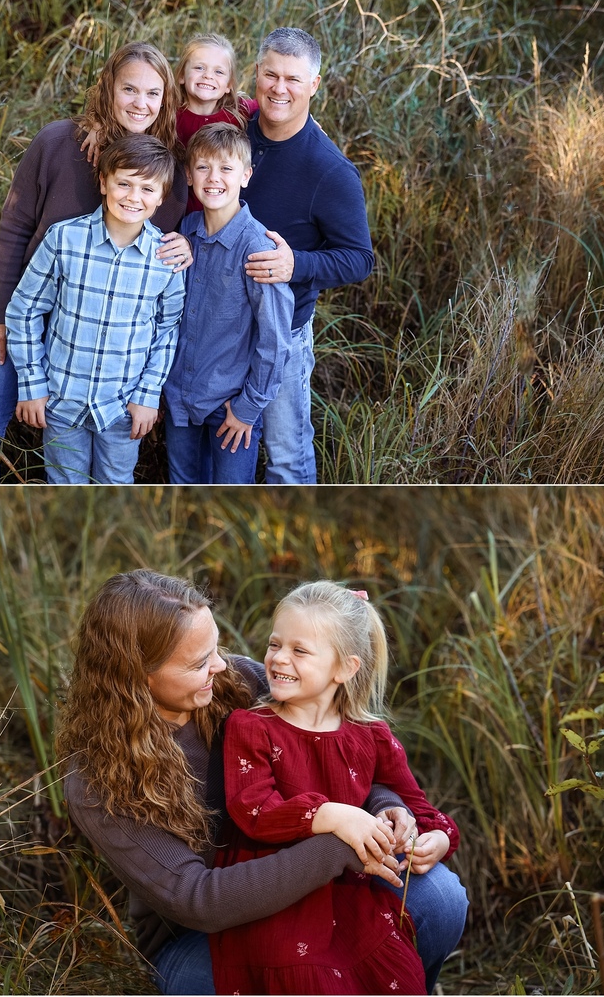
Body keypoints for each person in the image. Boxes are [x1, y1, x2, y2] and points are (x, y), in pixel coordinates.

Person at [58, 570, 468, 996]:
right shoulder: (97, 781)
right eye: (199, 662)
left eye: (215, 648)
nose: (220, 664)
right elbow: (197, 899)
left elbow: (338, 747)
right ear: (138, 675)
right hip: (201, 932)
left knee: (439, 900)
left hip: (324, 884)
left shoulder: (237, 683)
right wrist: (338, 845)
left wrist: (382, 807)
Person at [0, 41, 192, 483]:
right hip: (26, 311)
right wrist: (1, 314)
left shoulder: (166, 173)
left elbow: (171, 249)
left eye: (152, 93)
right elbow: (14, 229)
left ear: (166, 100)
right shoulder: (59, 141)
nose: (140, 103)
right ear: (109, 88)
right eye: (129, 89)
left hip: (102, 332)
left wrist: (189, 245)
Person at [210, 582, 460, 995]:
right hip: (276, 897)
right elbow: (254, 809)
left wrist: (435, 837)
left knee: (391, 973)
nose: (278, 659)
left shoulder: (370, 735)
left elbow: (415, 803)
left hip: (350, 893)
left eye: (300, 650)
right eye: (275, 644)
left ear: (344, 668)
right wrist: (333, 815)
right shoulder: (252, 727)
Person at [5, 135, 184, 484]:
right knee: (64, 483)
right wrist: (32, 383)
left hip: (122, 406)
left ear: (161, 197)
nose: (134, 197)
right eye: (124, 184)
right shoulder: (63, 239)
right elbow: (23, 310)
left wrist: (148, 395)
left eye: (148, 189)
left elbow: (167, 330)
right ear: (104, 182)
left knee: (115, 483)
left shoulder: (165, 258)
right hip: (61, 399)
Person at [239, 27, 375, 484]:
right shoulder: (231, 133)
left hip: (281, 335)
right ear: (255, 73)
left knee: (286, 458)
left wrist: (297, 263)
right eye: (270, 75)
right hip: (218, 327)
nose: (280, 88)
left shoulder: (330, 171)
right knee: (225, 445)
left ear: (314, 85)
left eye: (294, 79)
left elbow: (359, 258)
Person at [163, 124, 293, 484]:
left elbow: (276, 339)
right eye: (203, 167)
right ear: (188, 175)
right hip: (180, 398)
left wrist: (248, 408)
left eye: (226, 169)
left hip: (231, 407)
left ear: (246, 175)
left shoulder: (258, 249)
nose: (213, 178)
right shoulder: (185, 230)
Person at [174, 33, 259, 211]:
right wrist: (97, 125)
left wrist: (309, 122)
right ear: (182, 75)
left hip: (221, 211)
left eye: (218, 72)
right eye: (199, 68)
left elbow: (277, 109)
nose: (208, 76)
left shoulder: (239, 111)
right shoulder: (168, 113)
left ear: (229, 84)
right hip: (178, 211)